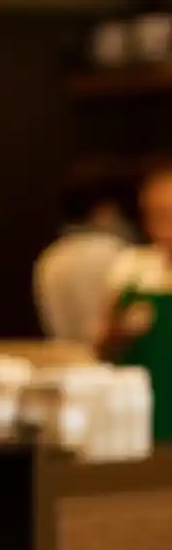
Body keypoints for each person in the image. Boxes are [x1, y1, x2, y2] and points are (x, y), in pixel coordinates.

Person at [98, 162, 172, 441]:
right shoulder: (131, 267)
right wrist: (121, 329)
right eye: (153, 216)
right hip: (137, 416)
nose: (161, 227)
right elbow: (101, 350)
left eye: (167, 214)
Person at [33, 169, 133, 345]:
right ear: (107, 211)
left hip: (68, 362)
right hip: (106, 363)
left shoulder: (52, 256)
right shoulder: (115, 254)